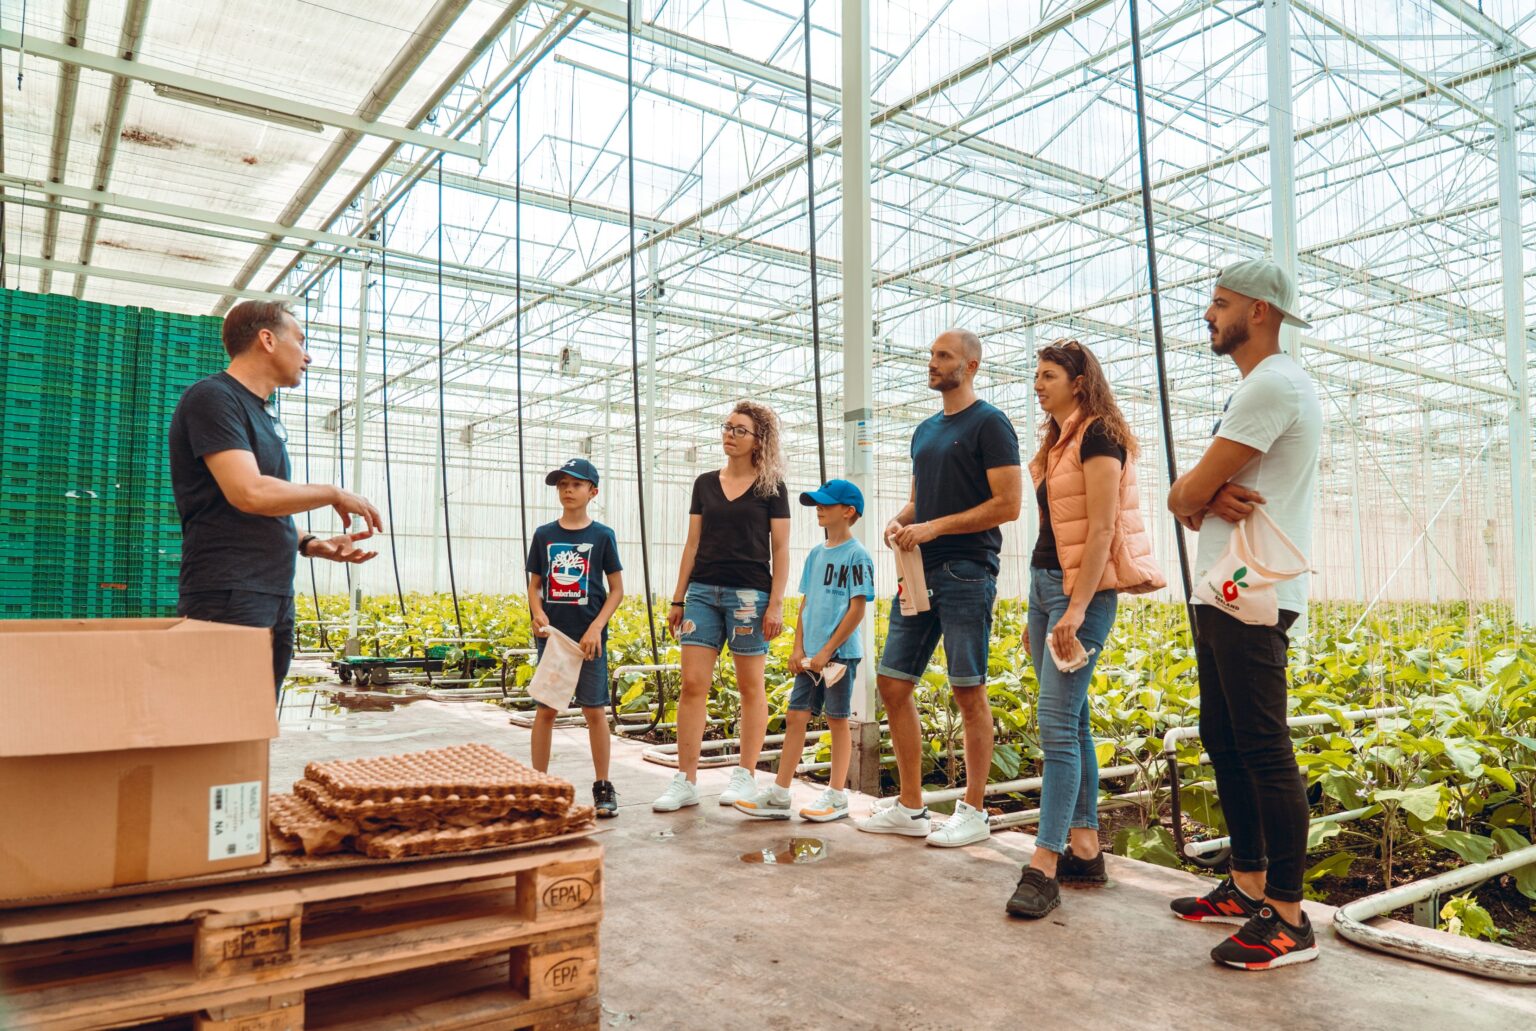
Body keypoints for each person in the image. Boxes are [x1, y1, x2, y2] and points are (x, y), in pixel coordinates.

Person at [1166, 259, 1322, 970]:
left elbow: (1184, 495)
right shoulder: (1263, 386)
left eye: (1221, 302)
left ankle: (1287, 917)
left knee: (1261, 743)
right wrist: (1200, 495)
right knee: (1224, 735)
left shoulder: (1271, 384)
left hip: (1250, 590)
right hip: (1227, 586)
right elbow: (1193, 498)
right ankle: (1248, 882)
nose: (1209, 314)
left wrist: (1198, 493)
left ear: (1260, 311)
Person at [1005, 340, 1163, 919]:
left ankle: (1044, 865)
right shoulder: (1059, 440)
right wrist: (1040, 612)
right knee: (1073, 721)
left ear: (1079, 381)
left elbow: (1101, 531)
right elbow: (1054, 532)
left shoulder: (1099, 436)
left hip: (1083, 596)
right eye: (1036, 375)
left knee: (1055, 728)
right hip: (1047, 587)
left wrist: (1074, 610)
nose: (1037, 385)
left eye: (1048, 375)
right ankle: (1087, 851)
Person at [857, 329, 1022, 846]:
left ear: (970, 366)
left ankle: (974, 810)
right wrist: (901, 520)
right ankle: (911, 807)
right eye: (931, 354)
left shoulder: (990, 423)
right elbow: (918, 501)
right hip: (918, 572)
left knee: (967, 689)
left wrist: (934, 528)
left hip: (967, 571)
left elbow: (1008, 505)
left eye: (943, 356)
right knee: (892, 683)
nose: (932, 362)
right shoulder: (925, 431)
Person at [170, 300, 381, 697]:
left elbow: (262, 503)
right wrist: (332, 492)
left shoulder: (262, 412)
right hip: (229, 592)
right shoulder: (214, 398)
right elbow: (249, 492)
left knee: (256, 719)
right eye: (300, 341)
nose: (307, 355)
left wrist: (311, 543)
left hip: (271, 591)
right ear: (267, 339)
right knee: (221, 715)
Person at [654, 402, 791, 812]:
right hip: (702, 592)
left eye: (739, 430)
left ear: (758, 440)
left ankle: (745, 775)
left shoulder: (772, 488)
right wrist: (678, 597)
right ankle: (685, 780)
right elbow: (692, 544)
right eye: (727, 427)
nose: (729, 434)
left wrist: (776, 604)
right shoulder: (704, 484)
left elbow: (781, 549)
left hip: (750, 597)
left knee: (750, 686)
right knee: (692, 684)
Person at [733, 479, 875, 823]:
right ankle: (780, 793)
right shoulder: (815, 554)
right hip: (811, 655)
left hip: (838, 655)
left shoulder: (857, 555)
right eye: (816, 504)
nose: (818, 509)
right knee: (796, 716)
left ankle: (836, 795)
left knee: (837, 719)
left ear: (849, 511)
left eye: (826, 504)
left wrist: (828, 650)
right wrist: (798, 647)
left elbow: (857, 609)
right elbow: (805, 604)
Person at [526, 458, 625, 818]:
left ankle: (603, 785)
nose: (568, 490)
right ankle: (539, 785)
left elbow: (616, 590)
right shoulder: (544, 535)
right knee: (546, 709)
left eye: (576, 484)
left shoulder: (602, 536)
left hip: (588, 640)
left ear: (592, 492)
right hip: (554, 637)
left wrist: (597, 627)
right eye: (562, 485)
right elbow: (535, 585)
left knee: (594, 710)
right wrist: (537, 612)